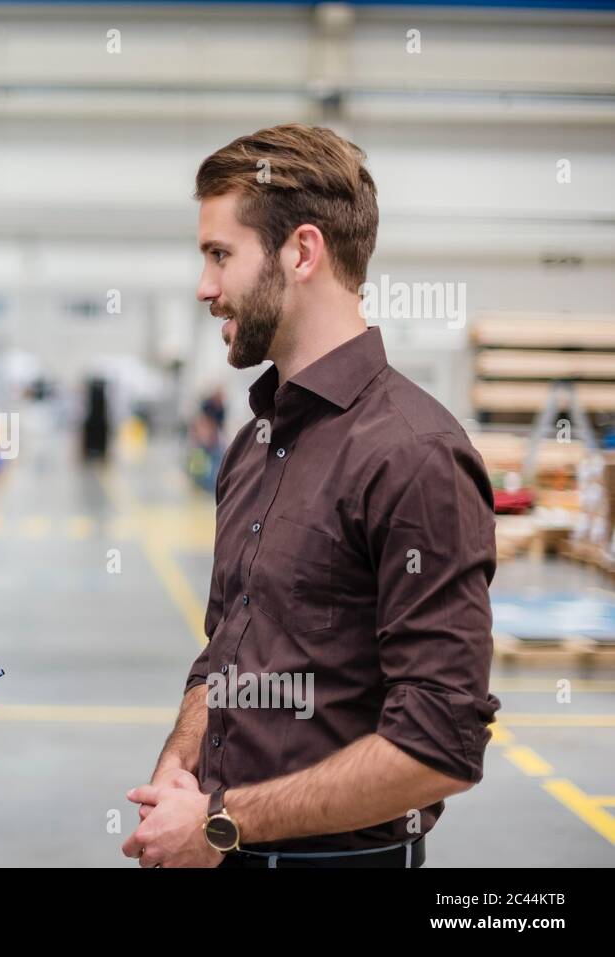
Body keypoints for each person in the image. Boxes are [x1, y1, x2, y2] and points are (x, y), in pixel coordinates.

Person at [123, 124, 498, 868]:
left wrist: (220, 821)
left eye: (220, 255)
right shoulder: (256, 442)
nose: (205, 287)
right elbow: (226, 651)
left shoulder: (413, 453)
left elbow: (441, 746)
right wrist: (181, 760)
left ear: (301, 251)